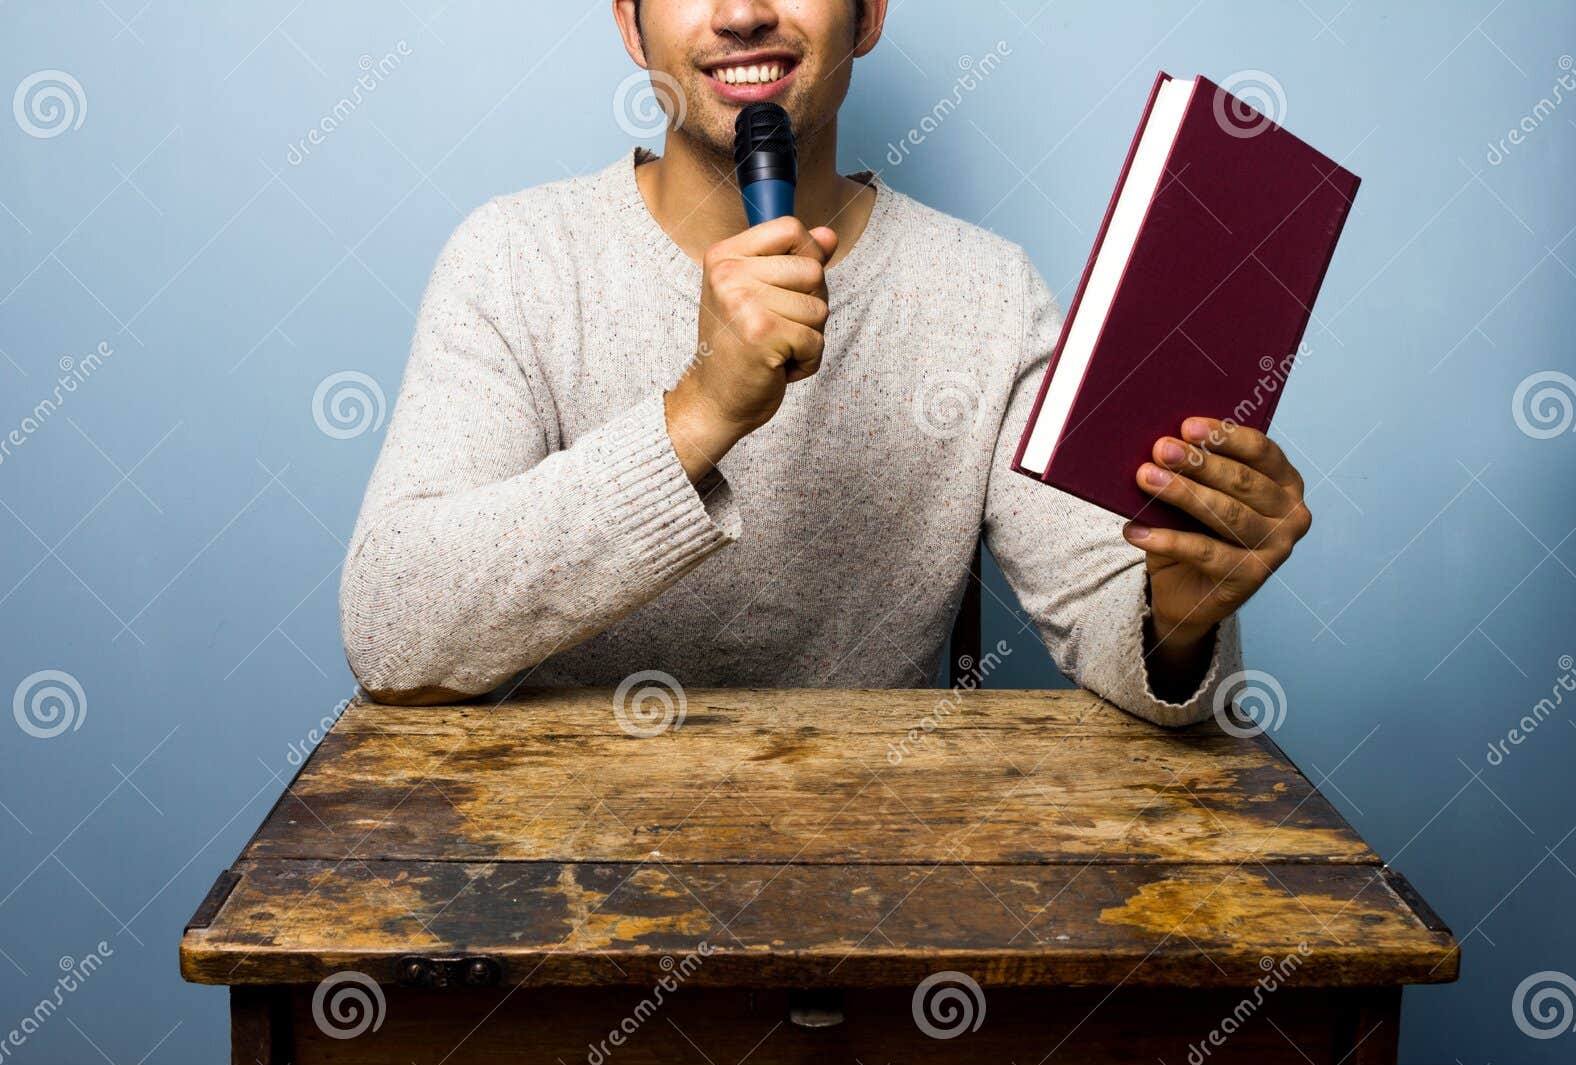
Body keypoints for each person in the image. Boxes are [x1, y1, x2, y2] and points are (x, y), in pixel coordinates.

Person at [339, 0, 1313, 724]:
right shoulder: (515, 257)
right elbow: (394, 631)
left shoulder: (984, 290)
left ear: (870, 13)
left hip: (866, 890)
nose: (743, 13)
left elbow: (1112, 617)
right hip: (569, 897)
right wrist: (699, 411)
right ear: (630, 29)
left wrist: (1177, 615)